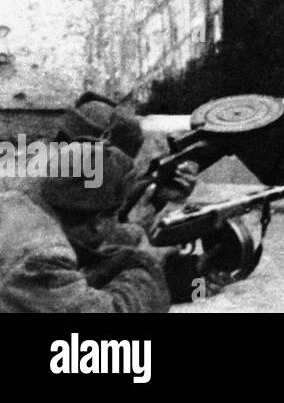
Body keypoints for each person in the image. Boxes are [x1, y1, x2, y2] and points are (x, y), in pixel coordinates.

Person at [0, 95, 197, 313]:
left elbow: (94, 228)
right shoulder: (42, 257)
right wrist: (146, 263)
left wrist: (159, 202)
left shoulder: (31, 189)